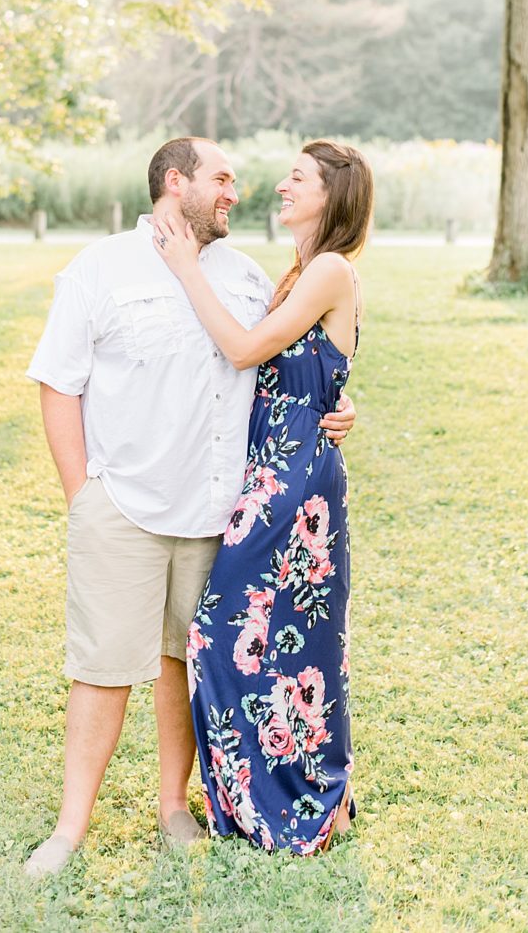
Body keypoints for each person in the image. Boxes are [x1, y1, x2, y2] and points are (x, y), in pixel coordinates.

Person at [24, 136, 355, 879]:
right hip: (126, 507)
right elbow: (56, 379)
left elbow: (287, 360)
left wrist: (339, 403)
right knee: (104, 667)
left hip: (220, 515)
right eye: (222, 178)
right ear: (177, 183)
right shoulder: (101, 267)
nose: (237, 191)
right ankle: (70, 827)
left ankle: (175, 804)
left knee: (189, 660)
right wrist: (84, 495)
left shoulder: (247, 276)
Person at [151, 138, 370, 854]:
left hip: (293, 485)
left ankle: (310, 795)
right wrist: (338, 405)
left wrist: (186, 269)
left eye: (297, 178)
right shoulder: (300, 270)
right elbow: (308, 377)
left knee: (226, 632)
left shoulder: (332, 268)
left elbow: (246, 351)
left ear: (331, 194)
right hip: (274, 471)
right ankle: (298, 793)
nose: (281, 185)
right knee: (290, 641)